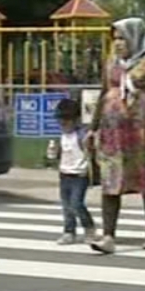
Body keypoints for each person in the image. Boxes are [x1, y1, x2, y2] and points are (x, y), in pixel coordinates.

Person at [89, 17, 145, 254]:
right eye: (115, 39)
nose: (118, 44)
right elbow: (104, 92)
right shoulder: (111, 62)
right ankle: (109, 236)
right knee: (111, 179)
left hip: (144, 130)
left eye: (122, 38)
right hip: (114, 132)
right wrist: (93, 126)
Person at [47, 97, 95, 244]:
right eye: (61, 121)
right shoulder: (61, 137)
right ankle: (69, 231)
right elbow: (58, 155)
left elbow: (89, 154)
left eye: (67, 121)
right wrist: (53, 154)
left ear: (76, 120)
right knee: (66, 205)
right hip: (64, 174)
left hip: (79, 175)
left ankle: (89, 228)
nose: (63, 124)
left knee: (76, 203)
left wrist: (87, 170)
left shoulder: (81, 135)